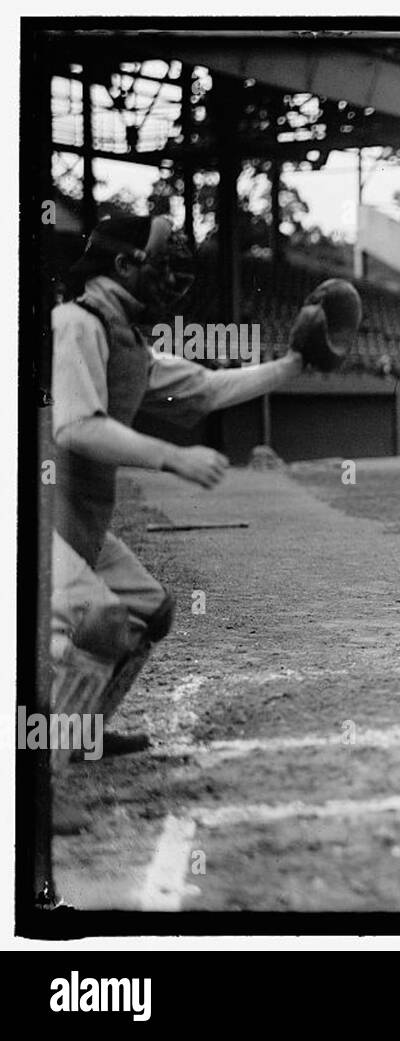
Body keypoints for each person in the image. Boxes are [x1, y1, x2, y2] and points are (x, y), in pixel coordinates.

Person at [49, 214, 314, 832]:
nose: (172, 276)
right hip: (33, 508)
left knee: (150, 610)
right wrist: (173, 456)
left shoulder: (126, 338)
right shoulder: (75, 323)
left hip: (76, 514)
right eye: (159, 261)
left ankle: (83, 732)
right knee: (97, 619)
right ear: (121, 266)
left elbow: (208, 387)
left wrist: (294, 364)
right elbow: (74, 425)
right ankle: (37, 779)